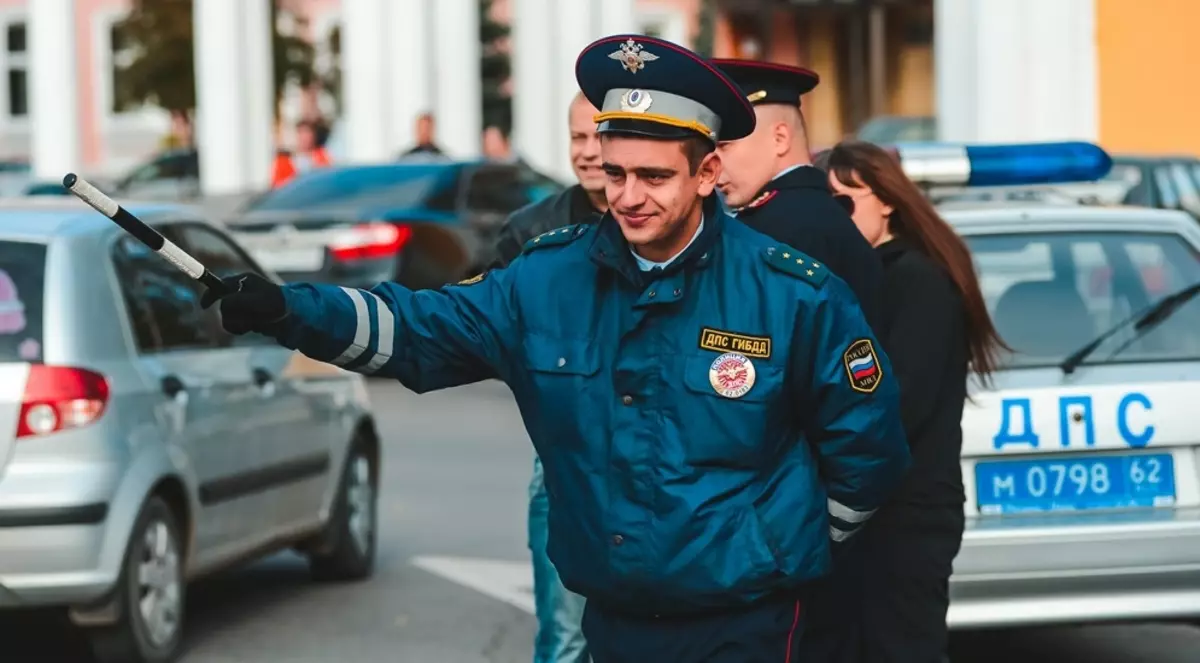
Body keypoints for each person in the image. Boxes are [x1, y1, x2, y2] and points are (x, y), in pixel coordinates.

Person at [204, 34, 911, 662]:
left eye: (654, 176)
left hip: (746, 624)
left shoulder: (791, 294)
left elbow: (869, 452)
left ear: (707, 173)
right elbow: (420, 328)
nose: (628, 197)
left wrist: (779, 547)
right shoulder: (546, 278)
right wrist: (290, 309)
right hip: (616, 621)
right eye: (615, 173)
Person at [809, 140, 1007, 663]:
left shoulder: (915, 279)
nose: (838, 218)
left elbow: (900, 403)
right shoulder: (868, 273)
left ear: (888, 200)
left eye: (845, 202)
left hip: (907, 513)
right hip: (874, 510)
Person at [486, 91, 608, 663]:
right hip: (563, 464)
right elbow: (486, 329)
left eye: (599, 137)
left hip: (669, 465)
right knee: (565, 639)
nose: (586, 153)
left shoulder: (681, 222)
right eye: (576, 137)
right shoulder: (532, 230)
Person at [710, 59, 885, 334]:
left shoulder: (774, 231)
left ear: (780, 138)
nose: (713, 164)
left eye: (725, 147)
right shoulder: (822, 213)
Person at [271, 119, 332, 188]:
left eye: (307, 134)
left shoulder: (321, 156)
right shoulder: (283, 161)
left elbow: (327, 178)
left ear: (313, 137)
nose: (304, 138)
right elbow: (277, 187)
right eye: (301, 133)